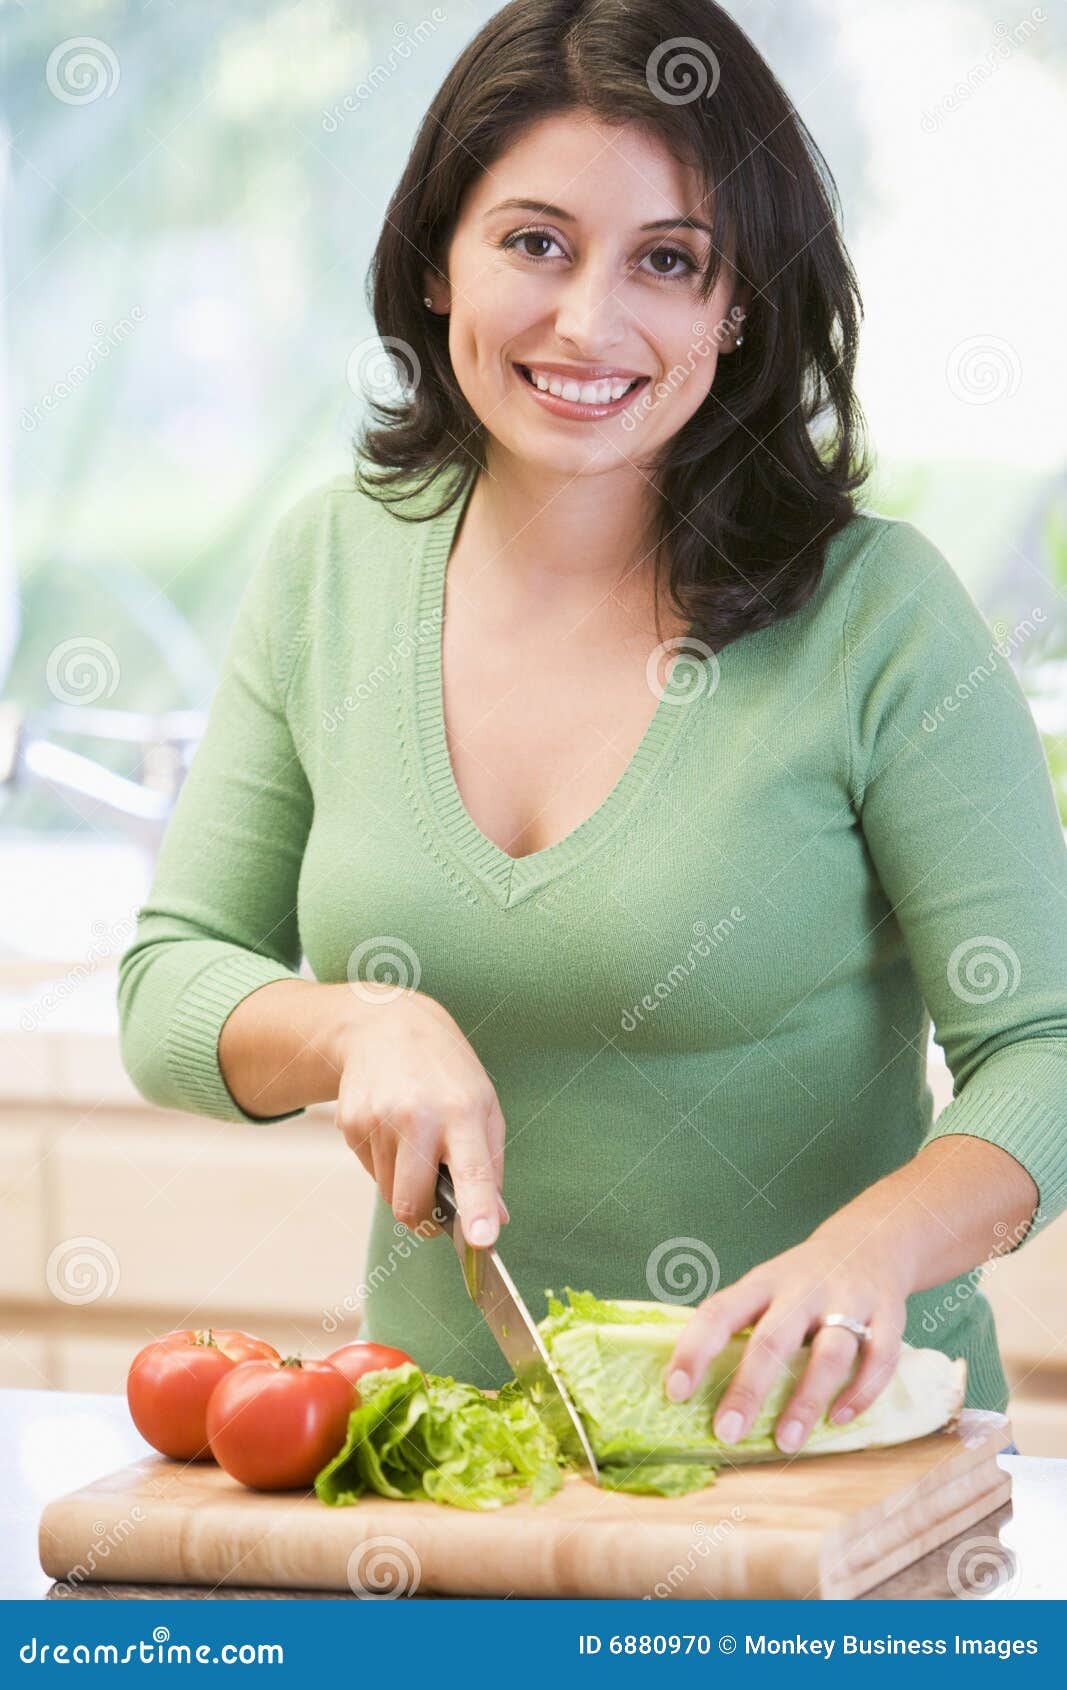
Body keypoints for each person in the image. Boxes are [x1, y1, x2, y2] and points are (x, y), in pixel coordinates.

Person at [119, 0, 1066, 1458]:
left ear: (737, 308)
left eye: (668, 262)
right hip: (450, 1458)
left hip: (832, 1456)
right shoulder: (330, 565)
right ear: (439, 261)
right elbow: (171, 981)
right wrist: (357, 1022)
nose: (589, 322)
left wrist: (870, 1250)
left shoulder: (880, 615)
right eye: (536, 242)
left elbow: (1047, 1045)